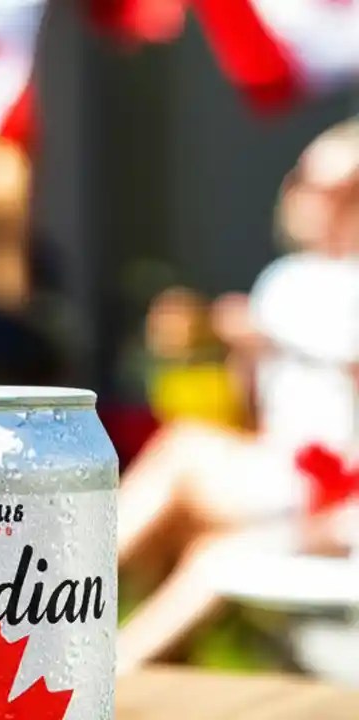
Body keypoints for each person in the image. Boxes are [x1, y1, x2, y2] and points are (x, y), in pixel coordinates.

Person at [117, 118, 359, 670]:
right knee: (194, 536)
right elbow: (257, 404)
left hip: (335, 495)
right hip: (290, 480)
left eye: (341, 187)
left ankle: (55, 614)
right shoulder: (288, 277)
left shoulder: (306, 289)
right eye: (307, 181)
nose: (313, 198)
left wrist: (243, 330)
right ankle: (96, 665)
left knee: (183, 457)